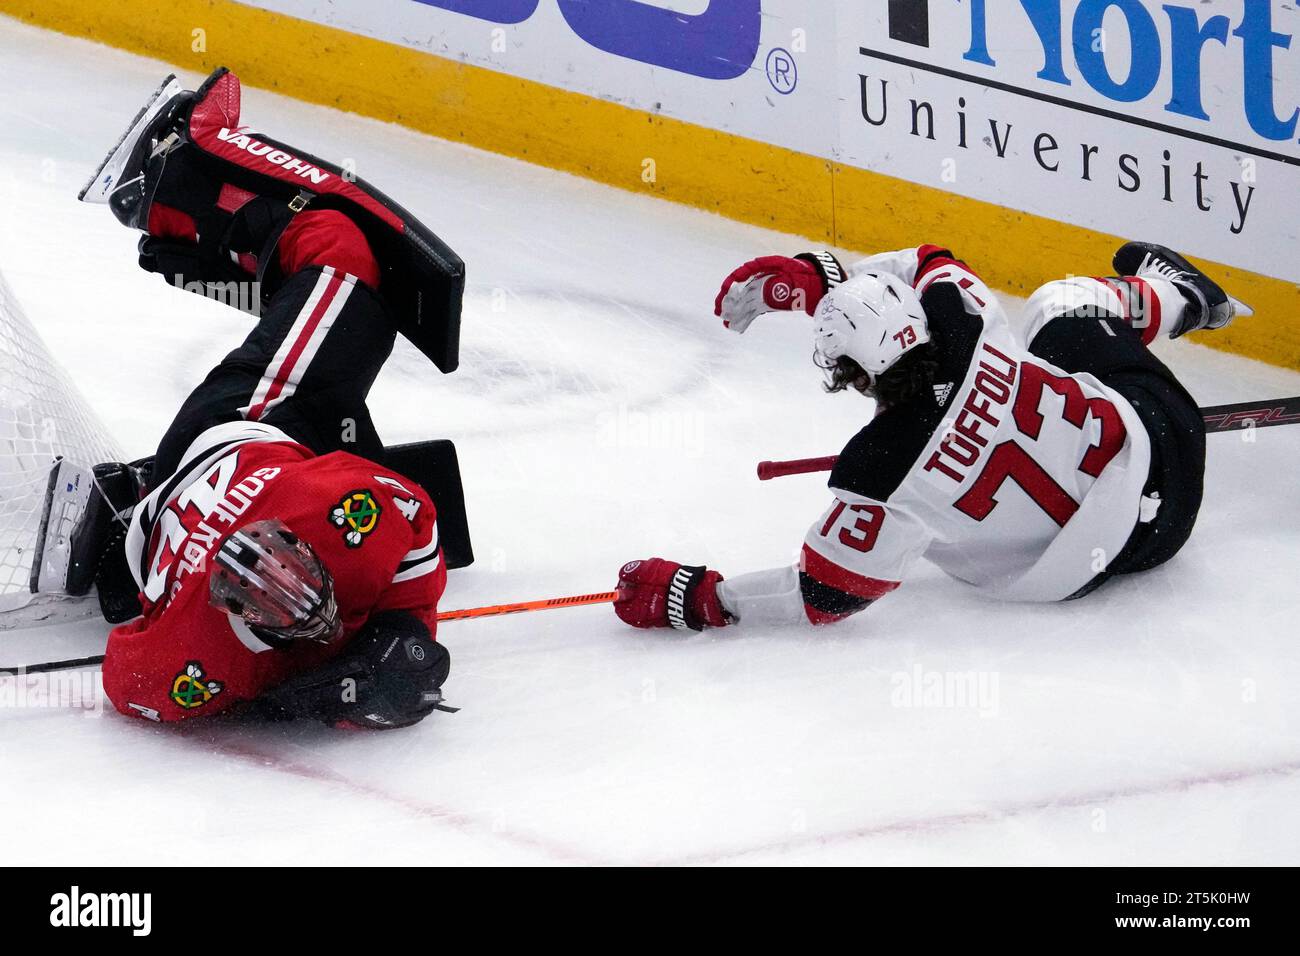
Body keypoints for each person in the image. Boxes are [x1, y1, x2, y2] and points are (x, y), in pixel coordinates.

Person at [612, 240, 1251, 631]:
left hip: (1125, 558)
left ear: (853, 377)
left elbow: (824, 594)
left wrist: (699, 599)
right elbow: (927, 259)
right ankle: (1182, 293)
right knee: (1062, 304)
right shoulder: (963, 317)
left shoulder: (879, 470)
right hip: (1165, 431)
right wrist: (823, 279)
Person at [80, 71, 453, 726]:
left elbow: (414, 515)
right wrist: (382, 651)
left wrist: (384, 639)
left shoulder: (320, 512)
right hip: (184, 485)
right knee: (343, 285)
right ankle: (189, 186)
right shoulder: (189, 662)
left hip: (244, 419)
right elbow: (126, 675)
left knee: (346, 262)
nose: (324, 622)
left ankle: (183, 184)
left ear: (307, 545)